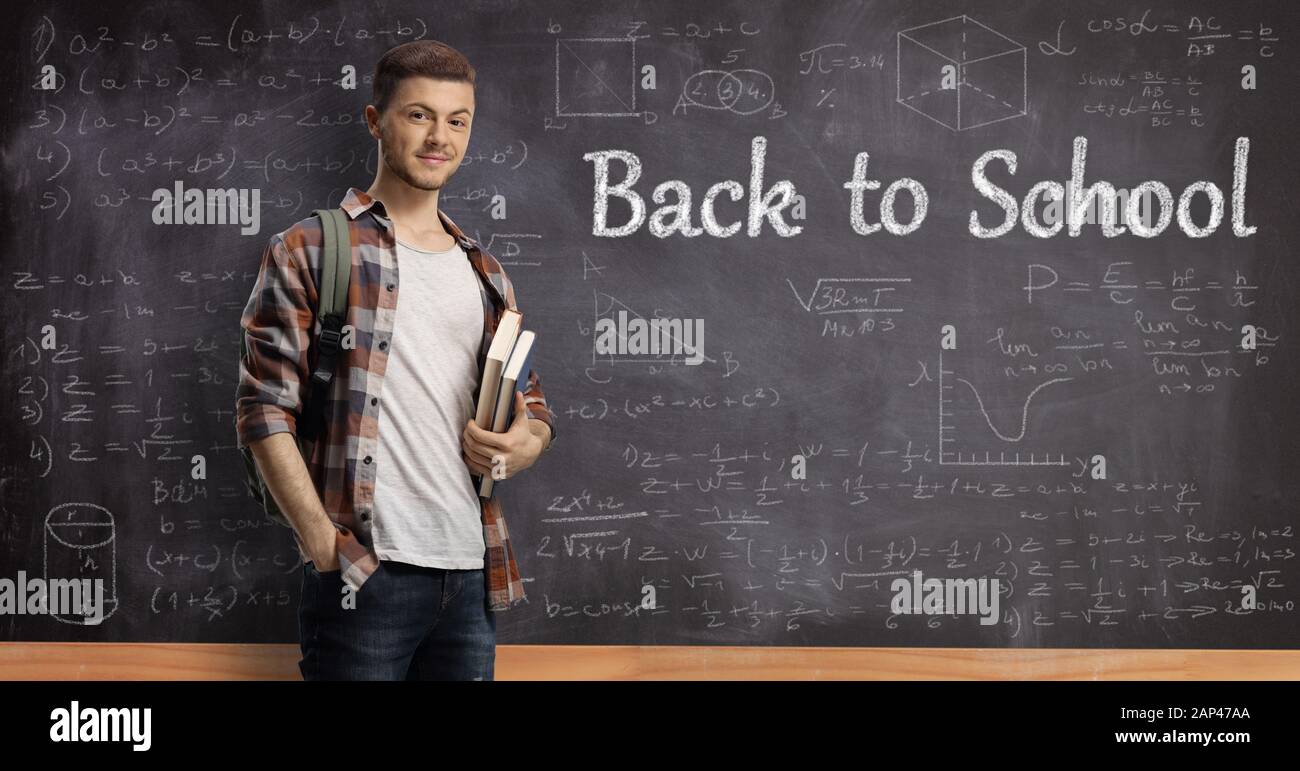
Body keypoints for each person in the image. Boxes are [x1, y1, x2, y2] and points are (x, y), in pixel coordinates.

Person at [234, 39, 555, 680]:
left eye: (456, 120)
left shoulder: (485, 272)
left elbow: (533, 403)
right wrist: (321, 543)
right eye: (419, 115)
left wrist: (527, 442)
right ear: (376, 121)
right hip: (364, 572)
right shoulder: (311, 248)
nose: (440, 137)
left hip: (472, 573)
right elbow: (264, 411)